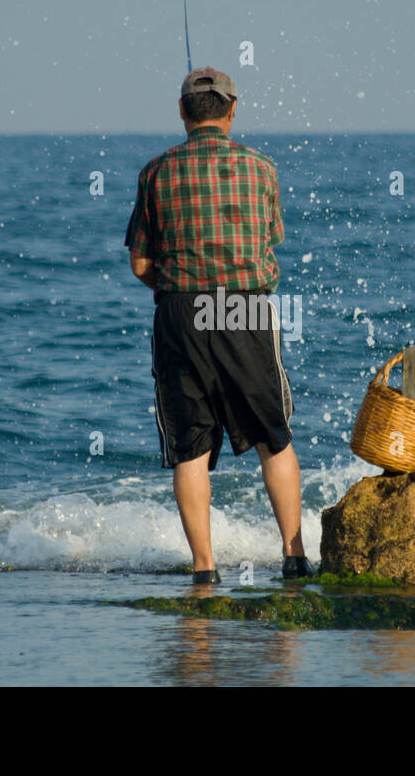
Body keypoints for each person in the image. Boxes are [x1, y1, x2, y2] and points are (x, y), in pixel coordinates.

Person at [125, 66, 313, 584]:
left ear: (183, 112)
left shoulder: (155, 172)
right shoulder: (263, 168)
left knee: (190, 445)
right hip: (245, 308)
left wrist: (181, 287)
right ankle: (294, 556)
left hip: (181, 311)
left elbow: (141, 265)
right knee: (273, 436)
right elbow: (270, 240)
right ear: (233, 110)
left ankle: (205, 571)